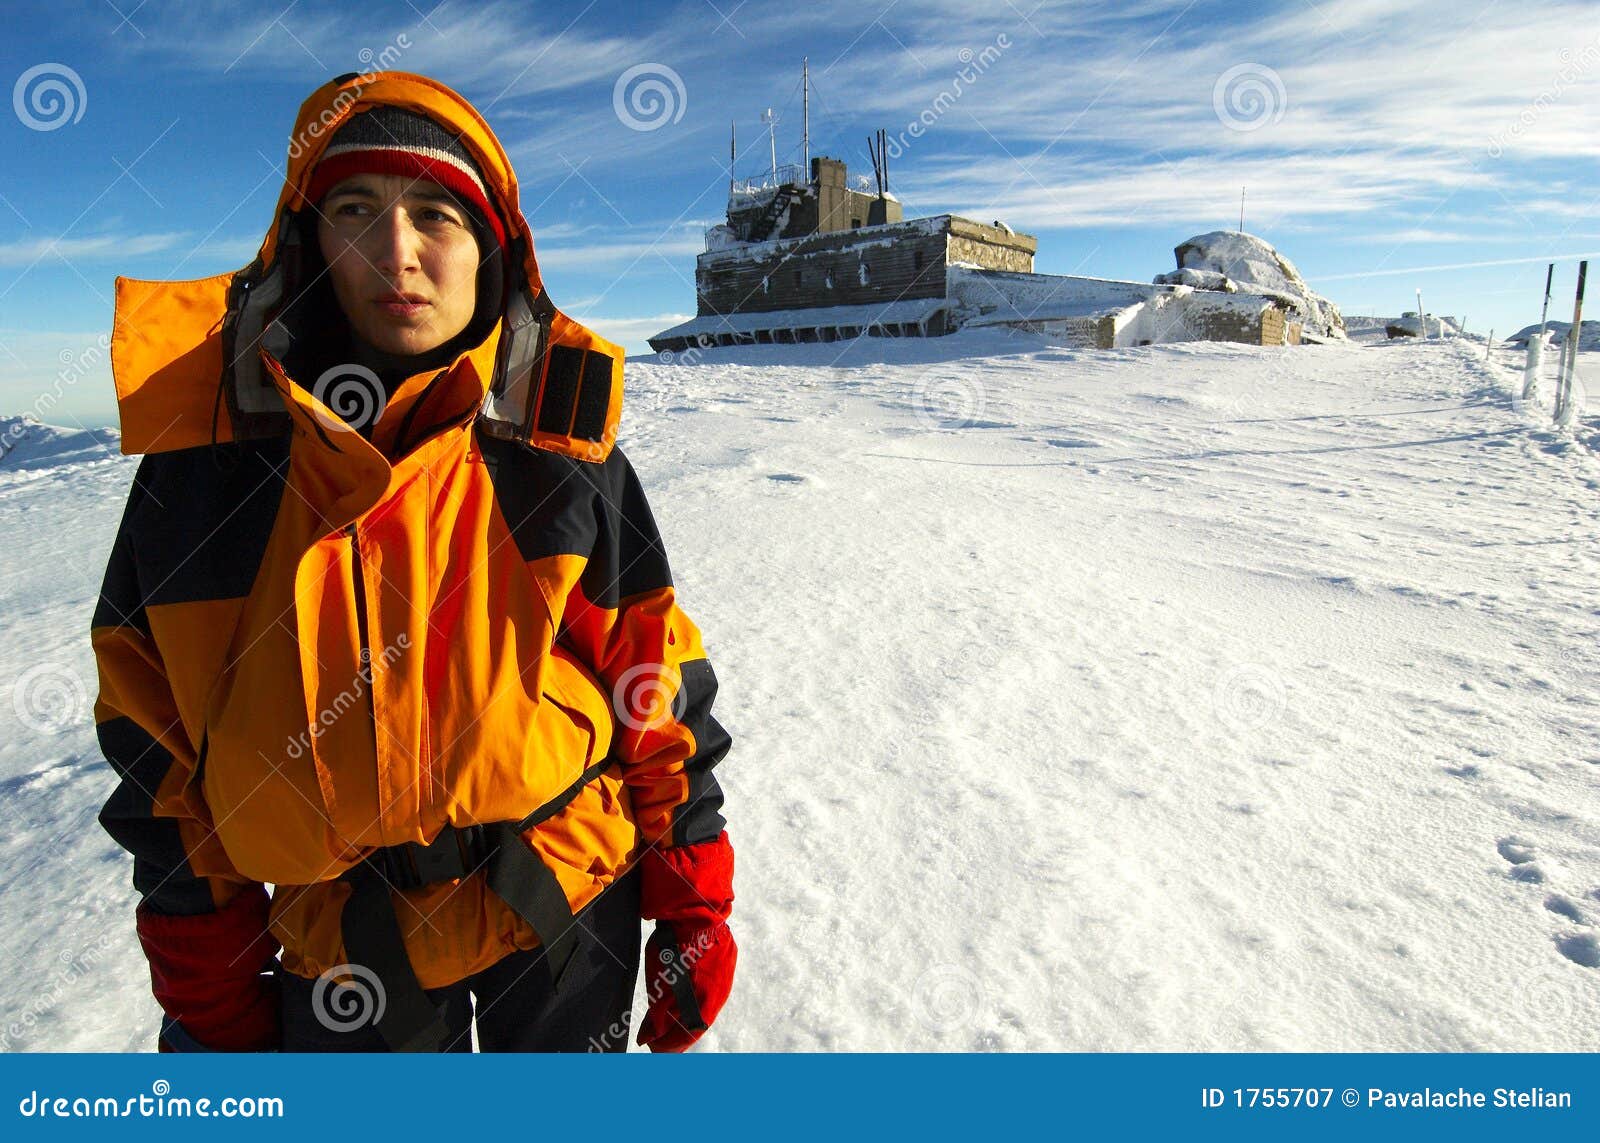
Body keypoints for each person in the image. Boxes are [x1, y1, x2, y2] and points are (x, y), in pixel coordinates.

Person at [90, 71, 736, 1053]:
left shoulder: (555, 447)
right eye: (356, 209)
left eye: (437, 213)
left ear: (489, 250)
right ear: (310, 243)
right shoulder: (214, 471)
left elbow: (654, 673)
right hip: (342, 938)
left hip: (564, 894)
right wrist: (202, 956)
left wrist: (692, 895)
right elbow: (154, 730)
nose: (398, 252)